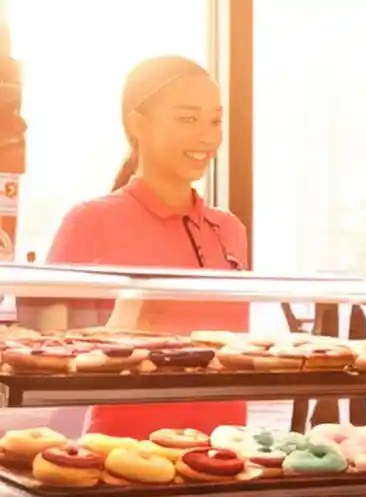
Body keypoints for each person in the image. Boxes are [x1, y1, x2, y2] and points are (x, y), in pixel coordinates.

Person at [46, 55, 249, 438]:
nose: (207, 136)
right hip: (123, 452)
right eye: (188, 119)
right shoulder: (90, 220)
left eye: (215, 120)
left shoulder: (229, 229)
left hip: (227, 448)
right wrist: (125, 325)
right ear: (138, 124)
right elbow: (53, 358)